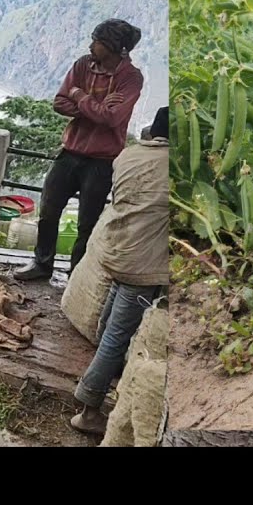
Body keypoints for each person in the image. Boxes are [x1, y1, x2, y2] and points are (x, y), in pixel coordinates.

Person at [13, 19, 144, 282]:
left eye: (96, 40)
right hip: (70, 152)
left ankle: (77, 276)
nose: (90, 45)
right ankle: (42, 263)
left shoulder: (131, 78)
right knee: (49, 210)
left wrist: (80, 96)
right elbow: (59, 103)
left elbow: (112, 118)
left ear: (112, 46)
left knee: (88, 222)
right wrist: (96, 107)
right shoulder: (83, 64)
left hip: (102, 160)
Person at [69, 106, 169, 435]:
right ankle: (89, 407)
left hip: (115, 250)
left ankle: (104, 371)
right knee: (117, 335)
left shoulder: (128, 156)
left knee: (109, 321)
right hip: (142, 265)